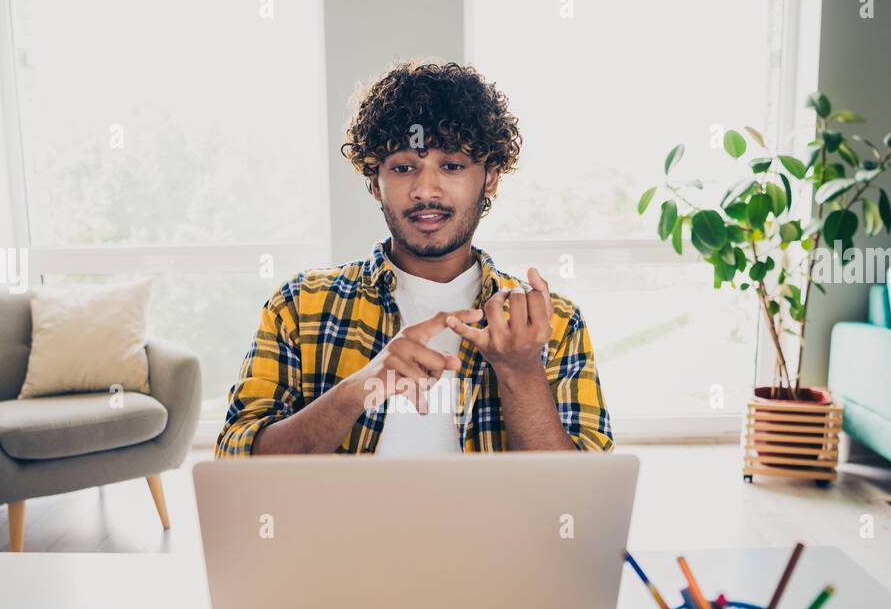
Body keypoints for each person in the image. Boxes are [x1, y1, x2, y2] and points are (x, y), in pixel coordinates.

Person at [216, 60, 612, 457]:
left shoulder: (550, 321)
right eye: (404, 168)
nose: (425, 190)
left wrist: (521, 371)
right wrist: (361, 385)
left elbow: (582, 503)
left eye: (452, 166)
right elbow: (237, 461)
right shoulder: (300, 305)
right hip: (345, 522)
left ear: (489, 178)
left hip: (486, 523)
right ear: (375, 183)